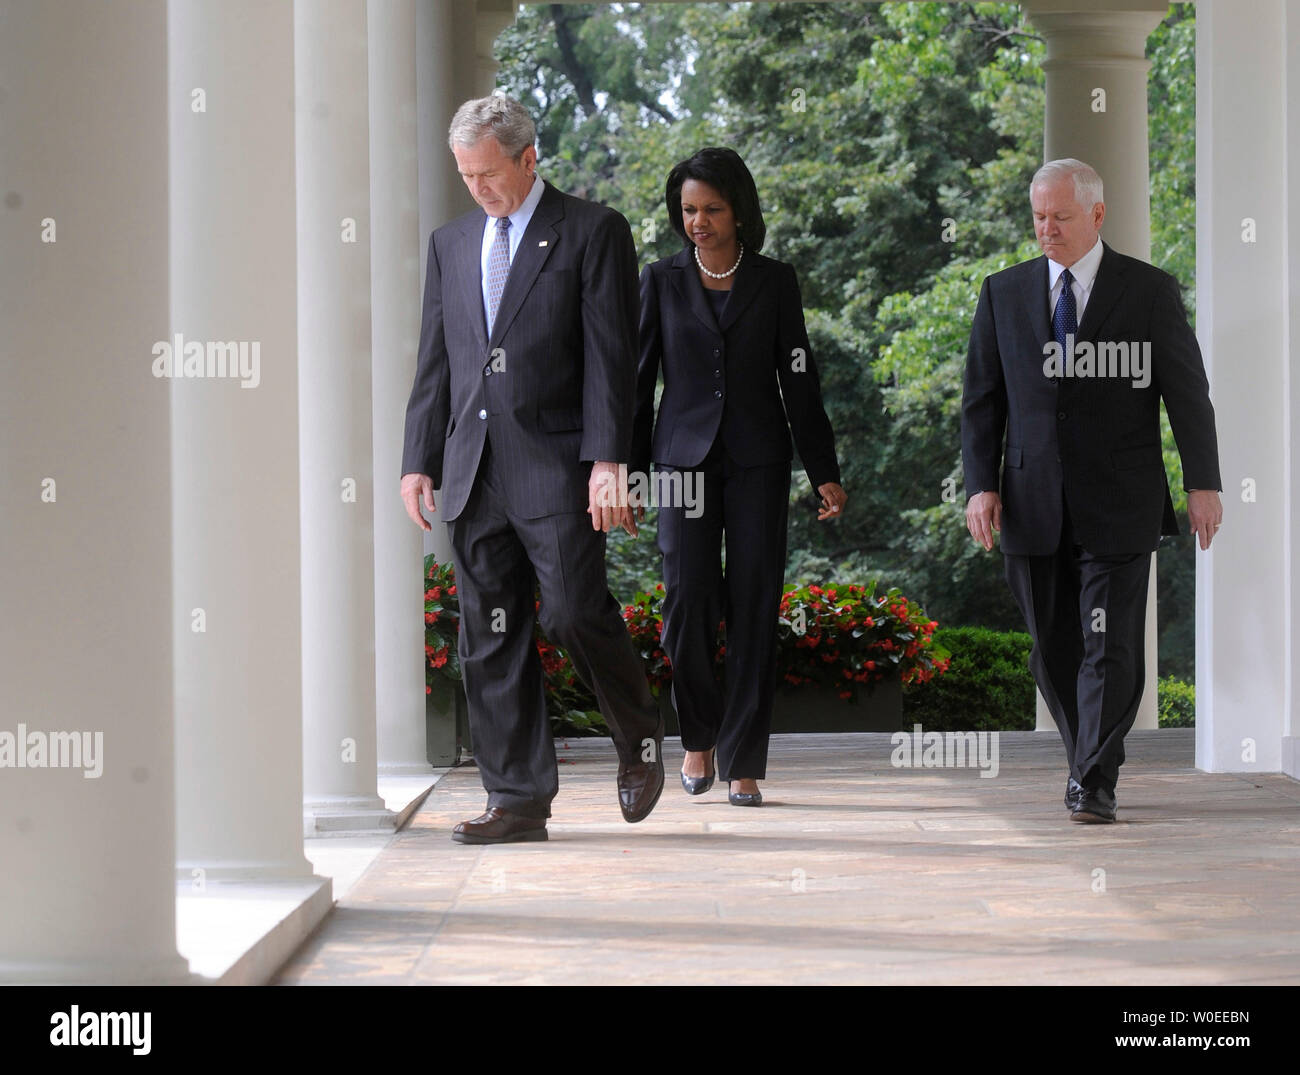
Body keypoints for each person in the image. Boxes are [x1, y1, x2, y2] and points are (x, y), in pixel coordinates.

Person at [400, 94, 663, 844]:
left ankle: (639, 732)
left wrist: (610, 460)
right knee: (490, 634)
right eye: (465, 175)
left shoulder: (592, 231)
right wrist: (418, 460)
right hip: (472, 470)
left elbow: (614, 358)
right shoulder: (450, 243)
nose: (478, 189)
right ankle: (516, 799)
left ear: (528, 157)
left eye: (488, 173)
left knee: (573, 610)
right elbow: (436, 362)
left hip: (559, 465)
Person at [961, 158, 1223, 824]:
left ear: (1098, 215)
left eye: (1062, 217)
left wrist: (1203, 483)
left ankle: (1093, 779)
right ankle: (1089, 759)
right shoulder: (1002, 292)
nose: (1047, 230)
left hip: (1121, 501)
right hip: (1030, 499)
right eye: (1039, 217)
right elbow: (981, 402)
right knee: (1053, 646)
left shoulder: (1149, 292)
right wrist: (980, 486)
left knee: (1110, 642)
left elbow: (1187, 395)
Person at [632, 147, 846, 808]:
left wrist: (824, 471)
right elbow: (637, 387)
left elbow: (798, 378)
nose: (699, 220)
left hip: (759, 459)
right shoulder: (660, 280)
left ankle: (745, 760)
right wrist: (629, 475)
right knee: (686, 598)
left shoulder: (775, 280)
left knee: (755, 604)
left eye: (712, 209)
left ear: (739, 211)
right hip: (678, 463)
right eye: (689, 209)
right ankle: (698, 735)